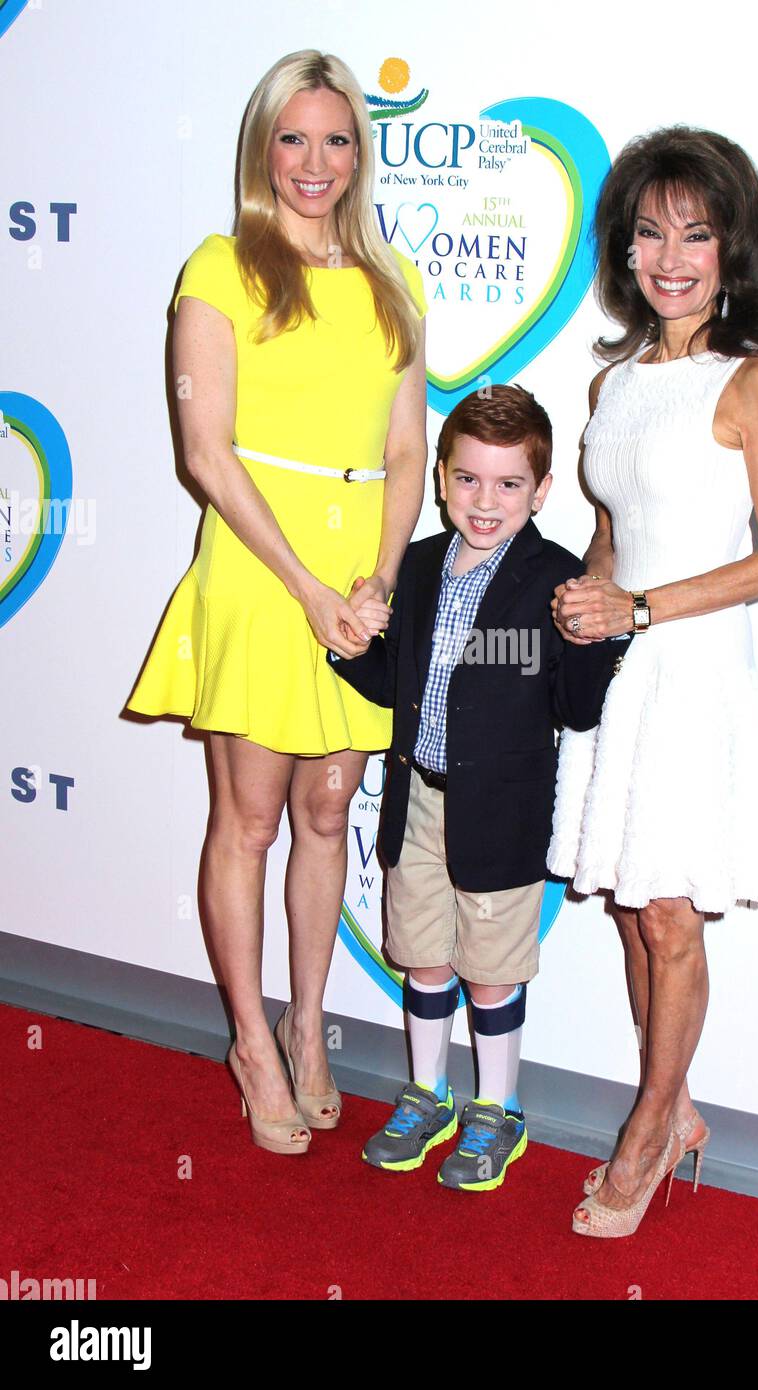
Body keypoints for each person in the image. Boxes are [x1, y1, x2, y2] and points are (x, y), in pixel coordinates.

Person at [125, 50, 428, 1154]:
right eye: (293, 138)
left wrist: (380, 581)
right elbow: (206, 452)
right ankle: (249, 1039)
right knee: (248, 820)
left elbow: (407, 447)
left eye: (336, 139)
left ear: (360, 151)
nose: (315, 162)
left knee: (323, 815)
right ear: (264, 148)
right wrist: (303, 586)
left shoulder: (394, 280)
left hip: (359, 580)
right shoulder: (222, 265)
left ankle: (311, 1028)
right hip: (259, 577)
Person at [546, 126, 758, 1235]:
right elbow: (613, 529)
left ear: (731, 248)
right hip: (621, 674)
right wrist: (588, 596)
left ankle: (647, 1129)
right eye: (649, 231)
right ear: (624, 247)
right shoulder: (613, 380)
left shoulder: (756, 382)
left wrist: (643, 606)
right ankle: (679, 1102)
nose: (669, 255)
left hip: (694, 667)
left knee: (667, 917)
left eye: (695, 233)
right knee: (626, 905)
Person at [329, 385, 631, 1191]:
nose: (484, 501)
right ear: (438, 478)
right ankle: (426, 1093)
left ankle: (496, 1110)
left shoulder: (556, 580)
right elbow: (397, 684)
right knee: (423, 961)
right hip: (415, 801)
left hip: (501, 815)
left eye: (506, 485)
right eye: (466, 480)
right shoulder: (420, 565)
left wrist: (593, 639)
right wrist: (350, 642)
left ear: (540, 491)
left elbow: (573, 707)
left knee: (491, 970)